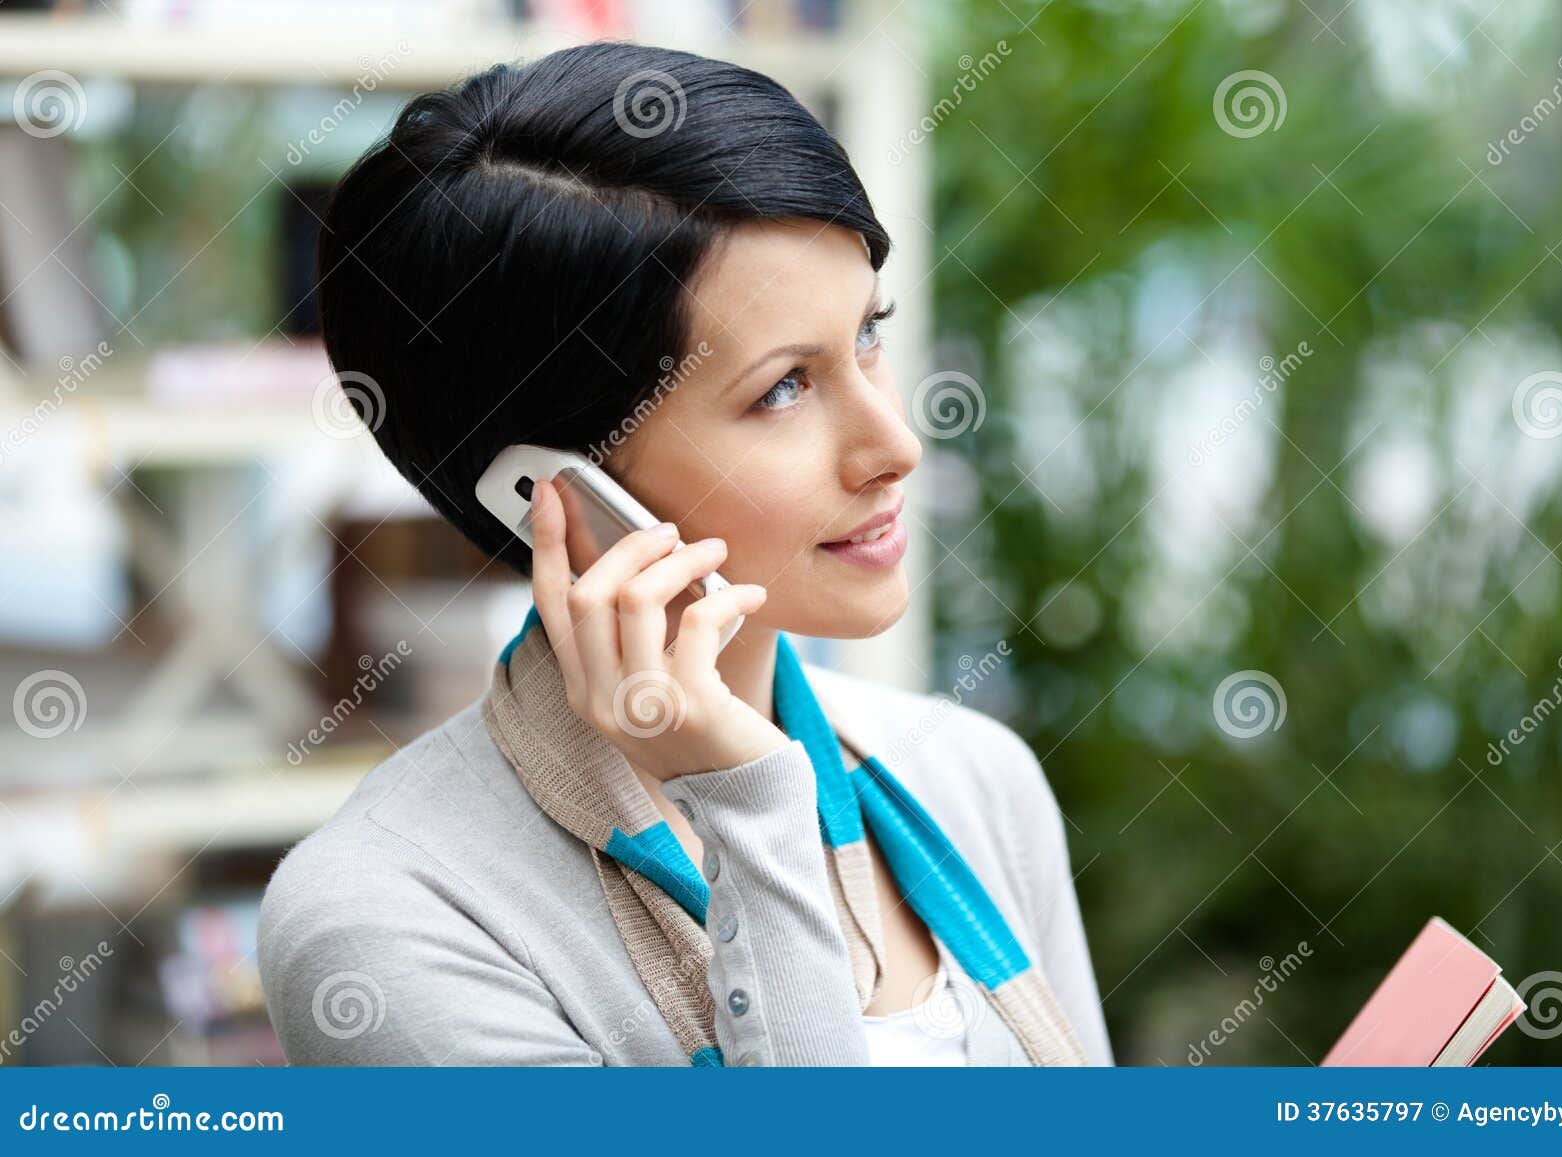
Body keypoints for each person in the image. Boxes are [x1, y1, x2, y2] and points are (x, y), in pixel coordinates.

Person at [258, 41, 1112, 1068]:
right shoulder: (390, 919)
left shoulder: (969, 776)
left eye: (869, 332)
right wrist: (744, 797)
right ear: (558, 494)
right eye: (782, 388)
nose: (896, 445)